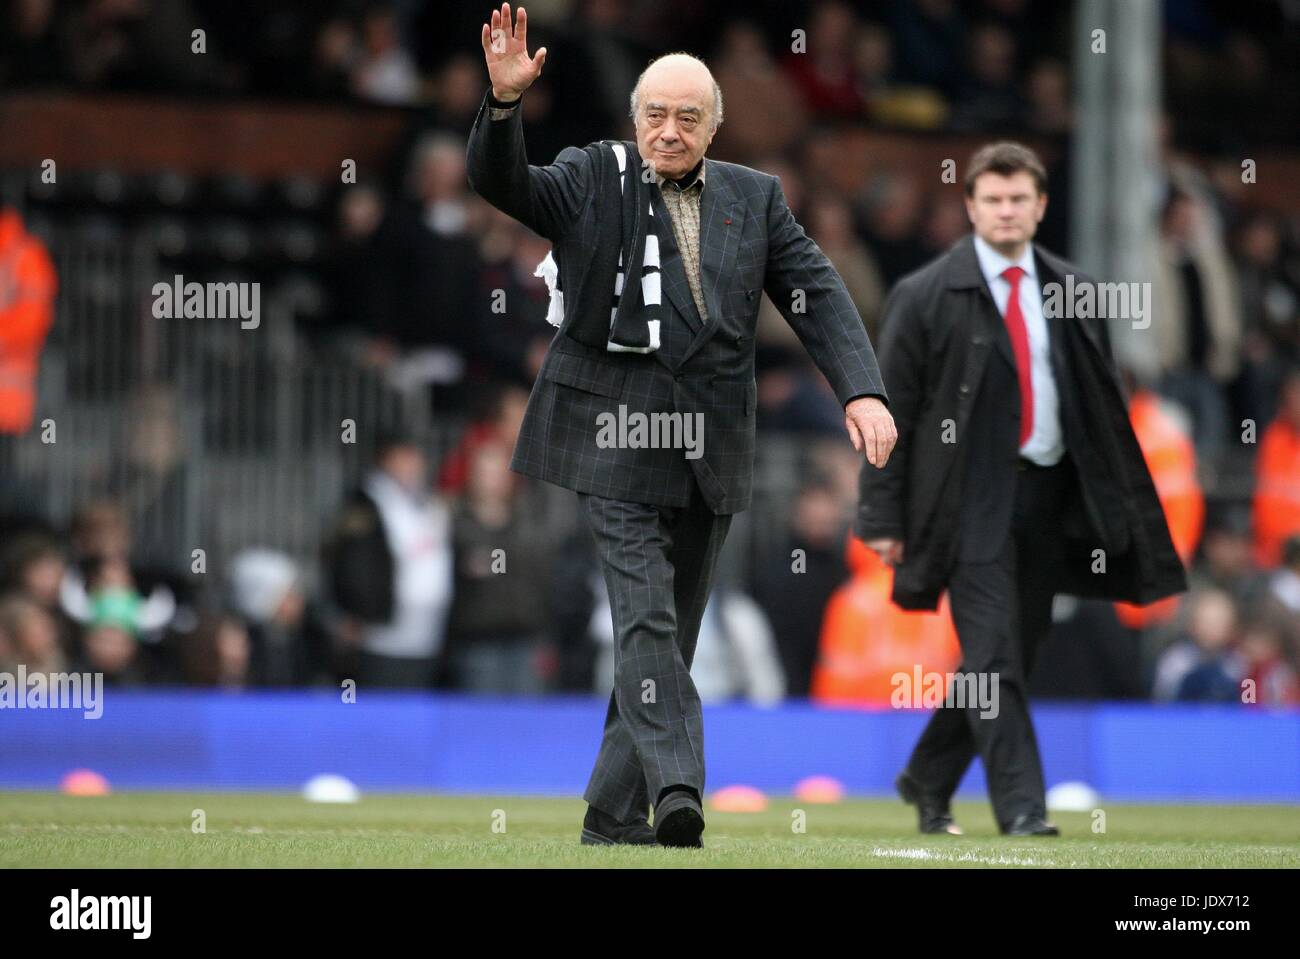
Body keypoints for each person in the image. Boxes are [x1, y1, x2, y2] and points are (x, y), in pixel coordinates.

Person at [467, 3, 896, 847]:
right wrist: (506, 107)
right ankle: (677, 791)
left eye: (688, 116)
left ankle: (610, 814)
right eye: (656, 114)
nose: (669, 129)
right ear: (635, 120)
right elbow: (503, 183)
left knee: (672, 633)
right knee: (647, 620)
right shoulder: (593, 175)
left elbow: (814, 293)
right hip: (614, 439)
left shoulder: (756, 198)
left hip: (712, 448)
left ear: (714, 126)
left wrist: (862, 390)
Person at [857, 141, 1186, 837]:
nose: (1006, 211)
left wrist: (1114, 505)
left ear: (1039, 207)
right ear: (970, 207)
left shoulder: (1077, 292)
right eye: (993, 199)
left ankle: (928, 775)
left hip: (1050, 504)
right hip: (964, 505)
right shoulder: (921, 297)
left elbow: (1099, 411)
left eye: (1018, 199)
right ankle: (1024, 808)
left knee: (1010, 654)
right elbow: (890, 415)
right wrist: (881, 514)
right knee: (996, 656)